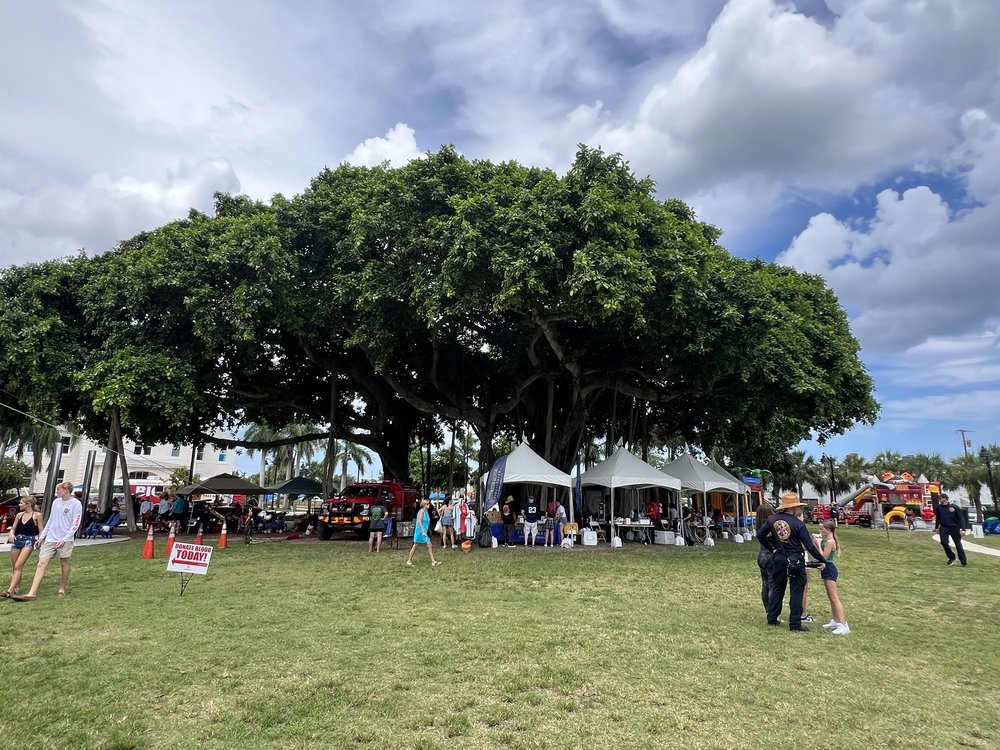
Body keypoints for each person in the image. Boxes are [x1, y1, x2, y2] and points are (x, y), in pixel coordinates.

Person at [755, 492, 826, 631]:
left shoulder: (771, 520)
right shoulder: (798, 523)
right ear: (793, 508)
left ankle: (772, 618)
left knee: (777, 588)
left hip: (779, 557)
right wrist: (821, 559)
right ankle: (795, 624)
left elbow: (760, 535)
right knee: (796, 591)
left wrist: (773, 548)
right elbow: (809, 545)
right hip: (796, 559)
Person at [12, 481, 82, 601]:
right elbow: (50, 520)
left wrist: (65, 539)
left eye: (58, 490)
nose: (57, 492)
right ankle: (31, 593)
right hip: (50, 538)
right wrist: (42, 537)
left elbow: (76, 523)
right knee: (41, 563)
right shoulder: (56, 502)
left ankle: (62, 588)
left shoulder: (76, 504)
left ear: (66, 490)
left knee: (64, 563)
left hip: (65, 539)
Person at [3, 493, 44, 598]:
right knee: (15, 566)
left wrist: (40, 540)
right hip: (17, 541)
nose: (19, 505)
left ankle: (9, 590)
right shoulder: (19, 515)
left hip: (28, 541)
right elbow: (13, 528)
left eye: (21, 503)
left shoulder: (37, 515)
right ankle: (16, 587)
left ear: (28, 504)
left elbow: (41, 530)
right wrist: (11, 534)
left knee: (18, 565)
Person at [818, 520, 850, 635]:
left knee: (834, 597)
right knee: (830, 597)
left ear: (828, 530)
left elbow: (823, 557)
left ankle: (843, 624)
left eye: (822, 529)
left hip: (830, 569)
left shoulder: (830, 541)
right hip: (826, 569)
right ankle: (836, 621)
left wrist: (818, 544)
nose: (820, 531)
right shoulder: (827, 540)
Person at [934, 493, 968, 566]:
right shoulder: (939, 508)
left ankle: (963, 561)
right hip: (944, 527)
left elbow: (961, 518)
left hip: (954, 527)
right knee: (944, 543)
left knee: (958, 544)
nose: (939, 500)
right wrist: (936, 527)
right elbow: (938, 518)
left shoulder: (954, 507)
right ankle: (952, 557)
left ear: (945, 498)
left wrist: (963, 529)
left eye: (940, 498)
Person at [406, 498, 441, 567]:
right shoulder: (421, 511)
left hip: (425, 532)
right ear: (424, 505)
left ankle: (433, 561)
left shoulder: (426, 512)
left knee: (429, 545)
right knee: (415, 545)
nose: (429, 505)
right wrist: (422, 531)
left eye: (429, 503)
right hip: (420, 532)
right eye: (427, 504)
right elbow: (419, 521)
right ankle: (409, 561)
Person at [754, 503, 775, 614]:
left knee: (765, 583)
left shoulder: (759, 525)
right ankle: (772, 611)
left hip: (761, 555)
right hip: (770, 555)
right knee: (772, 584)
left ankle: (767, 609)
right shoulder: (770, 526)